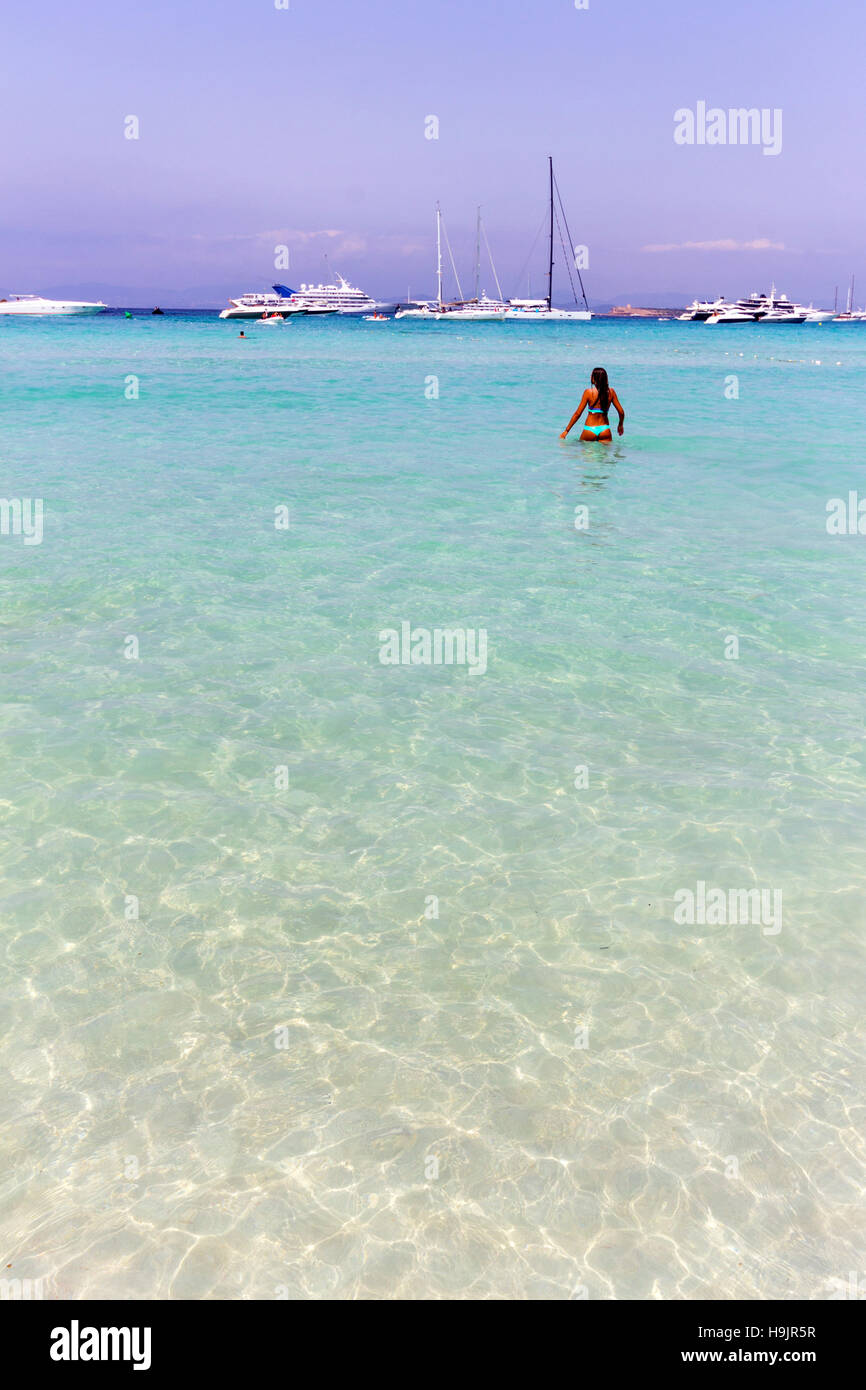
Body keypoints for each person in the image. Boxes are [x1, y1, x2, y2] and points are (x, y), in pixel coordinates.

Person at [560, 367, 624, 441]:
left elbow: (577, 414)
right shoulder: (611, 392)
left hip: (589, 429)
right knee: (603, 453)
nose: (590, 377)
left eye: (592, 375)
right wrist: (620, 425)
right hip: (605, 429)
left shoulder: (588, 392)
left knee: (579, 448)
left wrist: (566, 431)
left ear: (595, 378)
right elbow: (621, 412)